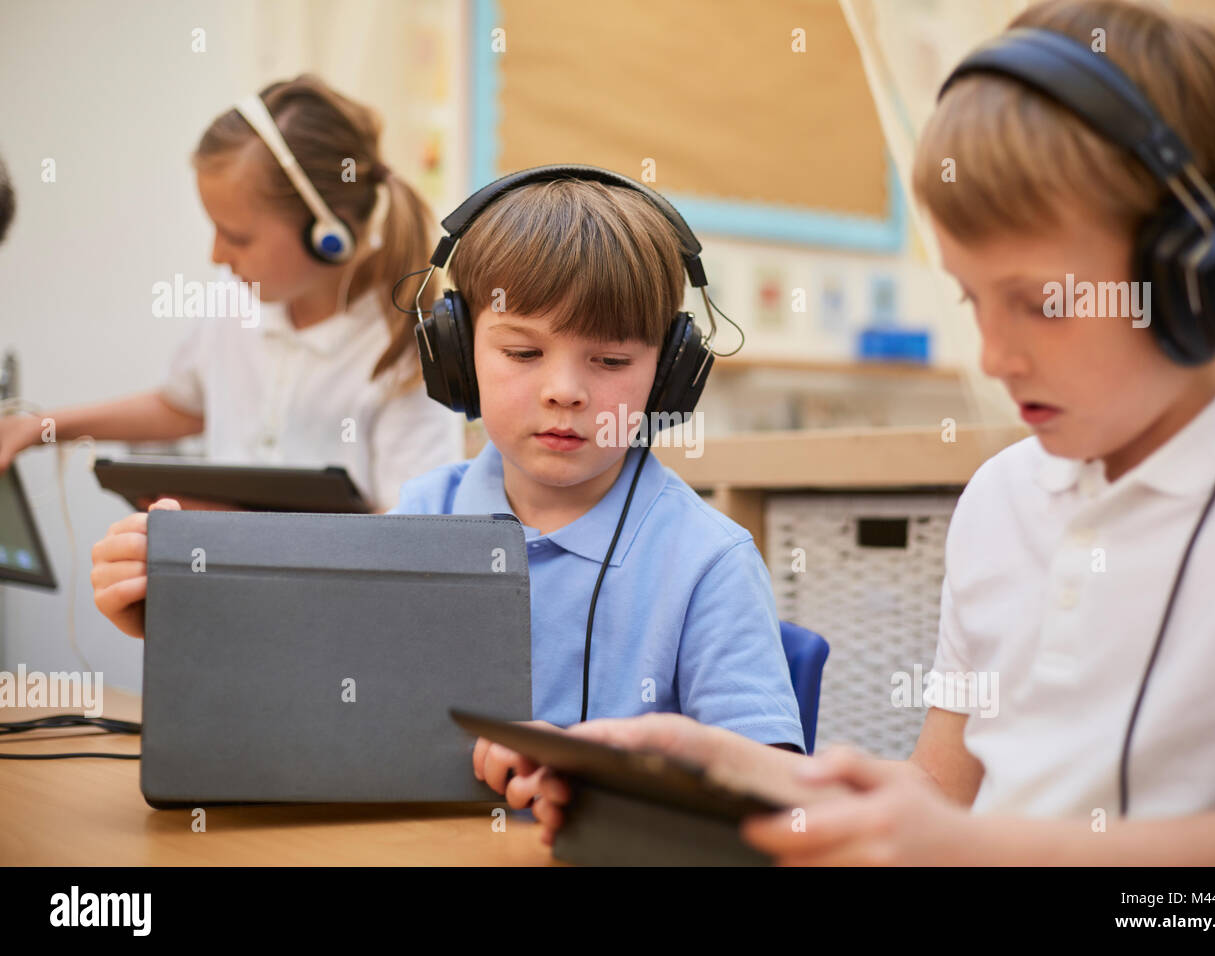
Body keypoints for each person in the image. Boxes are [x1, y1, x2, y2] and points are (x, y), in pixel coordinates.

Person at [521, 0, 1215, 864]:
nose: (993, 355)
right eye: (971, 300)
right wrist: (709, 766)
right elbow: (940, 794)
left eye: (1041, 304)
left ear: (1199, 276)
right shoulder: (1002, 501)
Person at [90, 169, 807, 805]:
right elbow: (324, 702)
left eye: (611, 358)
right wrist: (183, 621)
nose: (565, 391)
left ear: (669, 375)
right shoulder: (420, 518)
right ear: (456, 355)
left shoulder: (708, 561)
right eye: (523, 352)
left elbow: (776, 795)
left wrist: (619, 770)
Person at [0, 75, 462, 512]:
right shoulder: (236, 299)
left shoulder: (404, 353)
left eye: (237, 237)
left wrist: (239, 528)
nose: (217, 255)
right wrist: (40, 428)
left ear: (327, 235)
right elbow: (181, 407)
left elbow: (410, 533)